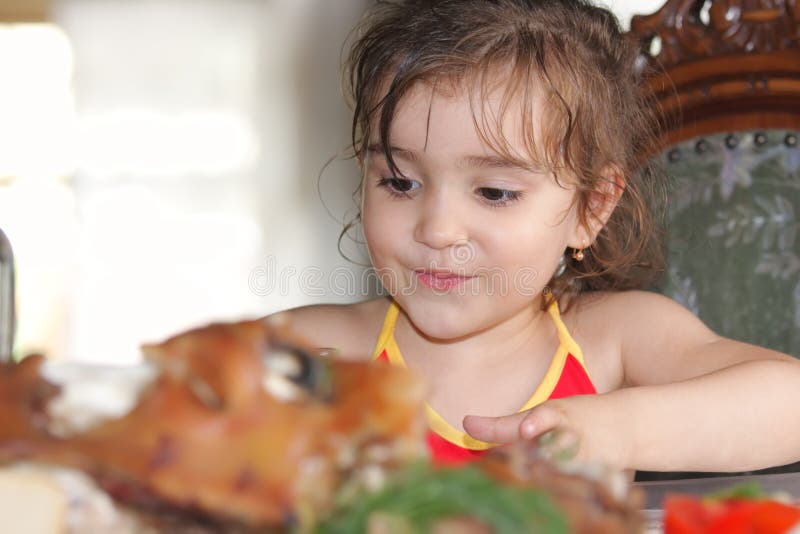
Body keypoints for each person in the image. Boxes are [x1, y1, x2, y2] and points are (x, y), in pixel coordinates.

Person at [273, 0, 800, 473]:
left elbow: (789, 403)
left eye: (495, 193)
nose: (435, 229)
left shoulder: (614, 340)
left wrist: (618, 430)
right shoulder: (323, 351)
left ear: (591, 207)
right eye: (399, 182)